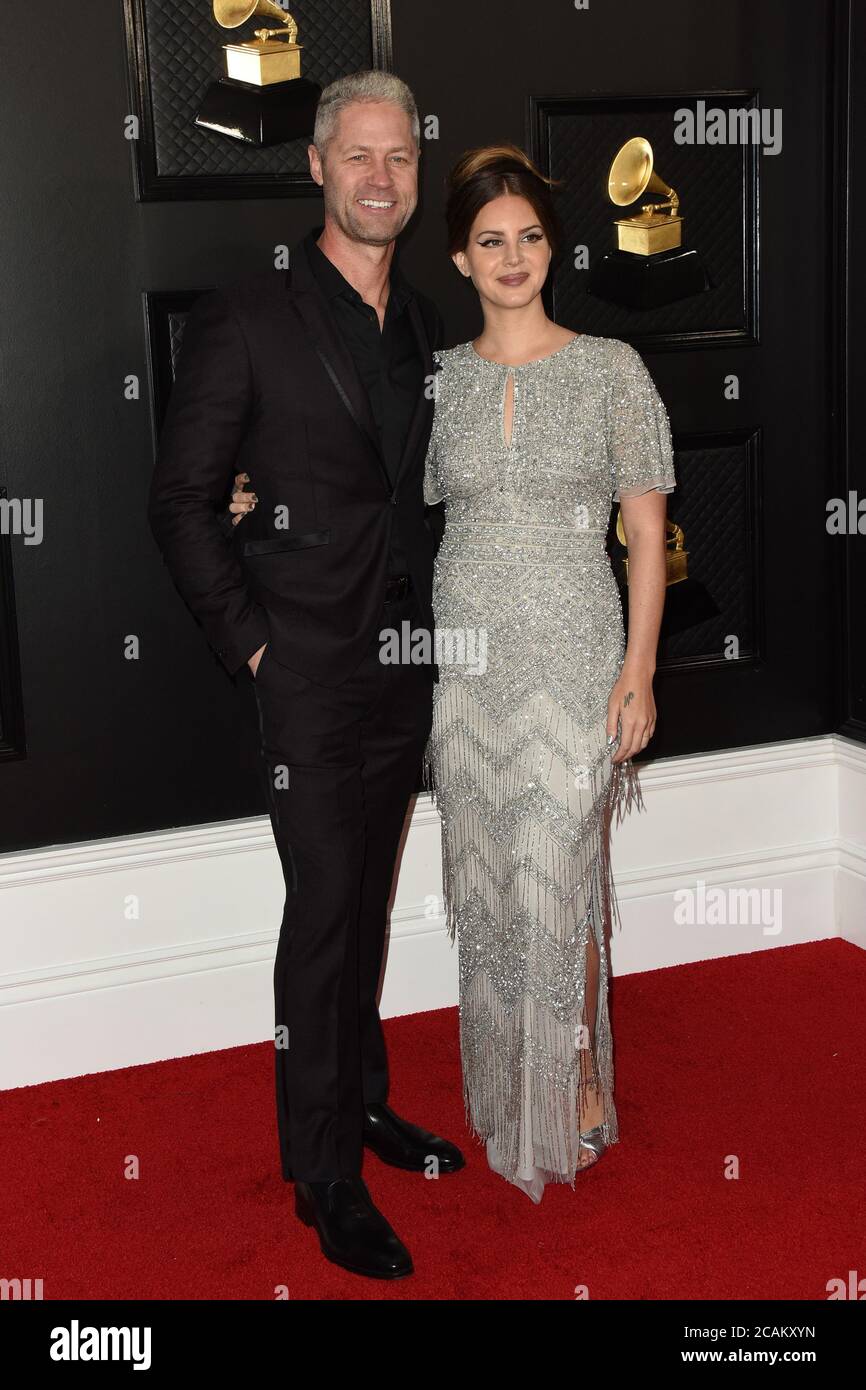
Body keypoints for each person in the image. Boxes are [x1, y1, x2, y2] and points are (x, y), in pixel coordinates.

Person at [148, 70, 465, 1283]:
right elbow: (180, 500)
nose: (380, 179)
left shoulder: (427, 325)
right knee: (324, 918)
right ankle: (320, 1172)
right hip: (305, 674)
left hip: (402, 665)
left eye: (399, 159)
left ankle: (367, 1101)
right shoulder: (248, 314)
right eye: (358, 157)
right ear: (317, 168)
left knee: (365, 900)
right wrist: (257, 644)